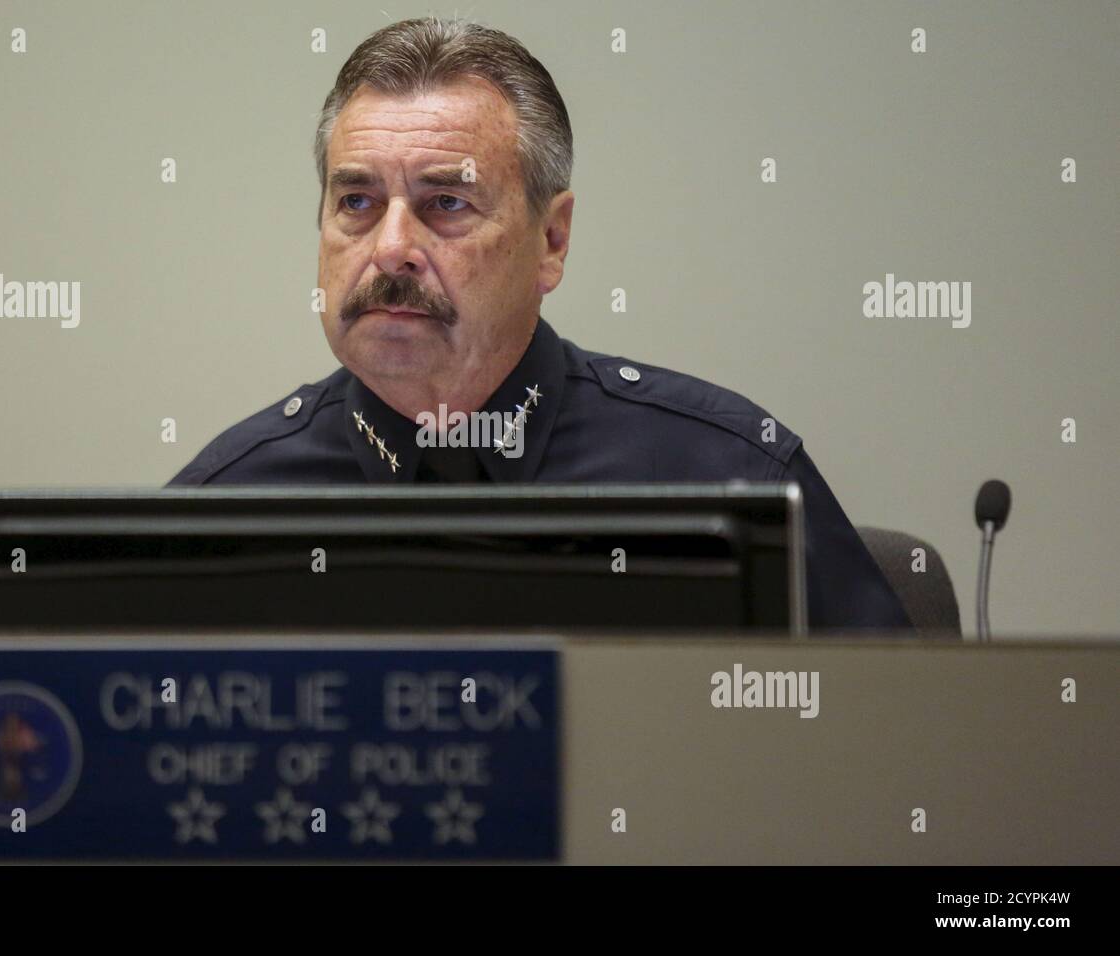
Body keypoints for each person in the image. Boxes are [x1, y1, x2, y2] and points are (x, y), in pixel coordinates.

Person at [168, 17, 912, 630]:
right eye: (357, 203)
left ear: (551, 242)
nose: (390, 248)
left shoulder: (730, 483)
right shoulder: (221, 519)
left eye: (446, 203)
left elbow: (898, 768)